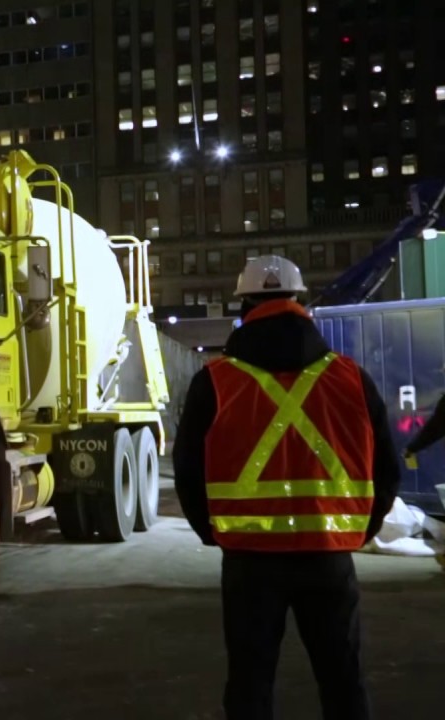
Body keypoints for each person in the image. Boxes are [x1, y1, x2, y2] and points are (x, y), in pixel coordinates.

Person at [172, 254, 401, 720]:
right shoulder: (351, 378)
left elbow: (188, 471)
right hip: (329, 558)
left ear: (245, 306)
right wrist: (359, 530)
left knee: (250, 687)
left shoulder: (214, 381)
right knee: (343, 684)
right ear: (300, 303)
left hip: (250, 565)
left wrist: (213, 533)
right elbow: (388, 469)